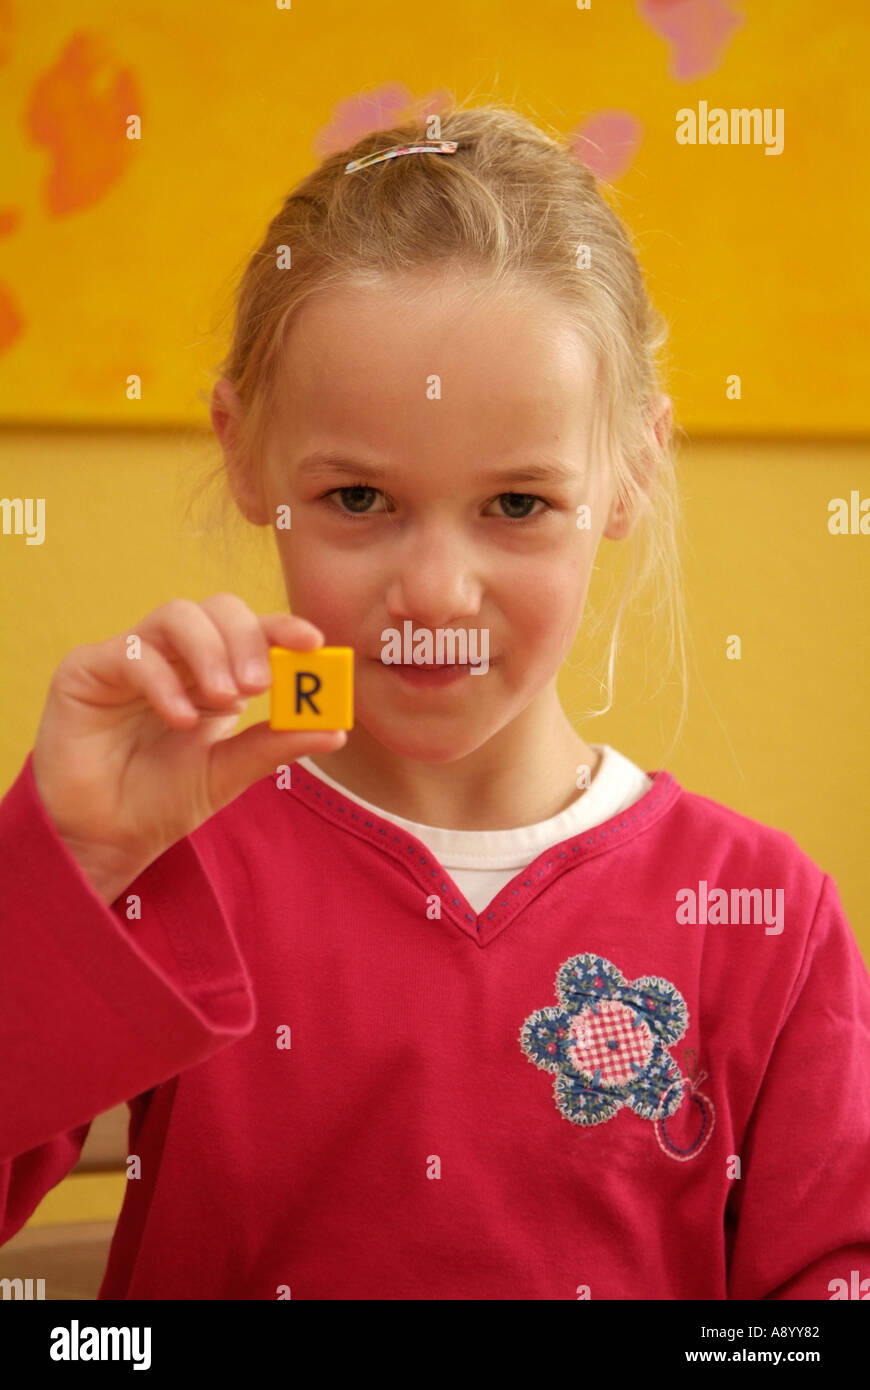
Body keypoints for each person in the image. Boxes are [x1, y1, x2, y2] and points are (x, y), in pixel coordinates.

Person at [1, 104, 868, 1300]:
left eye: (516, 506)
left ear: (630, 474)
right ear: (245, 452)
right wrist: (64, 877)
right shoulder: (165, 855)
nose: (435, 589)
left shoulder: (768, 917)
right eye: (360, 498)